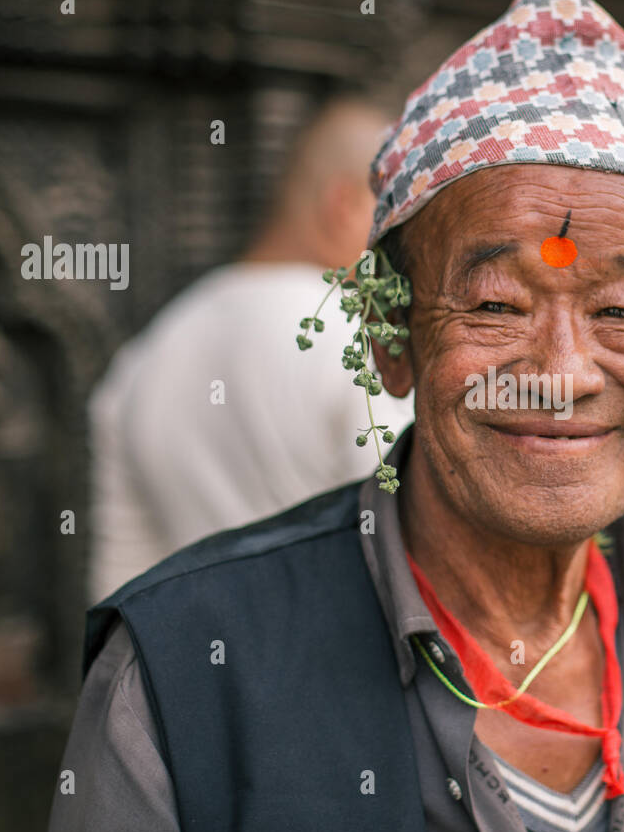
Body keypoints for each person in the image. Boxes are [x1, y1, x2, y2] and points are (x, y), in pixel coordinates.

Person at [46, 0, 624, 832]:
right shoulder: (176, 668)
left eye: (622, 311)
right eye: (496, 305)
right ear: (389, 332)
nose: (563, 373)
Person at [87, 97, 412, 602]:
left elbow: (122, 587)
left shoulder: (148, 353)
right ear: (346, 207)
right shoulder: (361, 340)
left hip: (202, 648)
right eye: (397, 217)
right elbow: (409, 548)